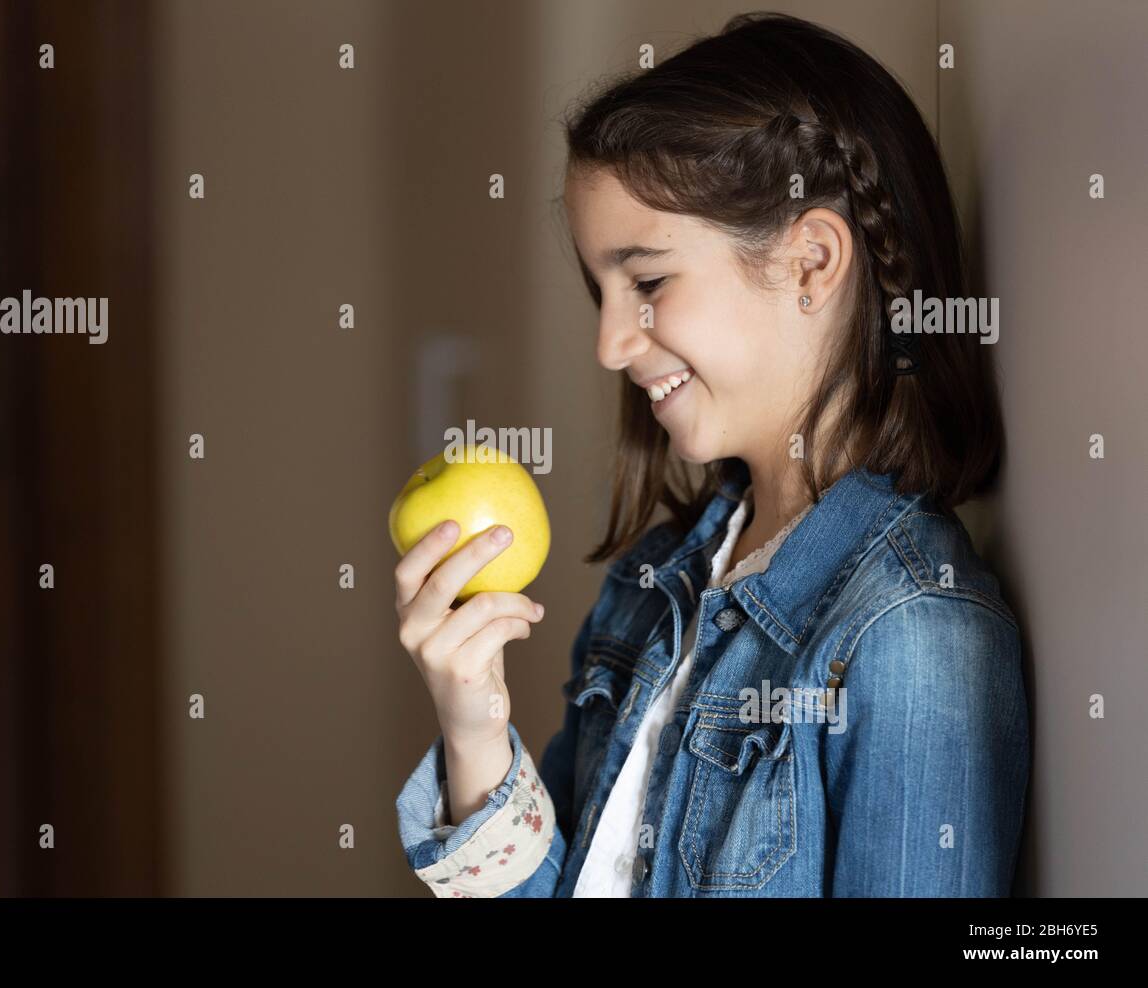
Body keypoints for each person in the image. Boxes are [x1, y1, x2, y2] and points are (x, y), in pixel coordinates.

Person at [392, 12, 1029, 897]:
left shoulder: (914, 641)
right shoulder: (651, 587)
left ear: (811, 262)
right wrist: (472, 724)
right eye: (601, 293)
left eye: (647, 282)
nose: (611, 344)